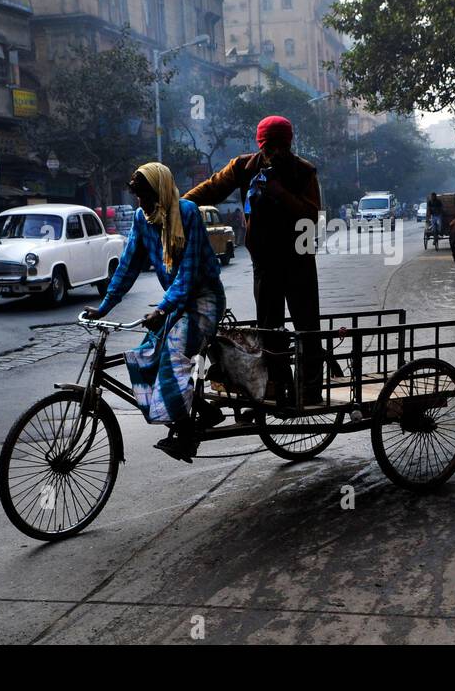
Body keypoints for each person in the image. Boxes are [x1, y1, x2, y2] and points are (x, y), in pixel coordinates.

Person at [84, 163, 226, 462]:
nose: (141, 202)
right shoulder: (142, 218)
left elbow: (188, 274)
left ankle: (186, 434)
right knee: (145, 356)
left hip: (203, 299)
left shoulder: (187, 213)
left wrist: (162, 309)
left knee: (173, 355)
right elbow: (128, 266)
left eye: (146, 196)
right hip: (176, 302)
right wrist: (104, 306)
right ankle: (204, 410)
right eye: (138, 197)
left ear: (159, 191)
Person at [185, 115, 325, 405]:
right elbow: (212, 188)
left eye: (278, 147)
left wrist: (280, 192)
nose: (273, 153)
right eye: (268, 147)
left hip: (299, 259)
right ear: (260, 145)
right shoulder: (242, 167)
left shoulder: (304, 172)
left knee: (307, 327)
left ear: (288, 144)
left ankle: (311, 390)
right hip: (264, 261)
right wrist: (179, 204)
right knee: (269, 328)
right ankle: (277, 386)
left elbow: (311, 215)